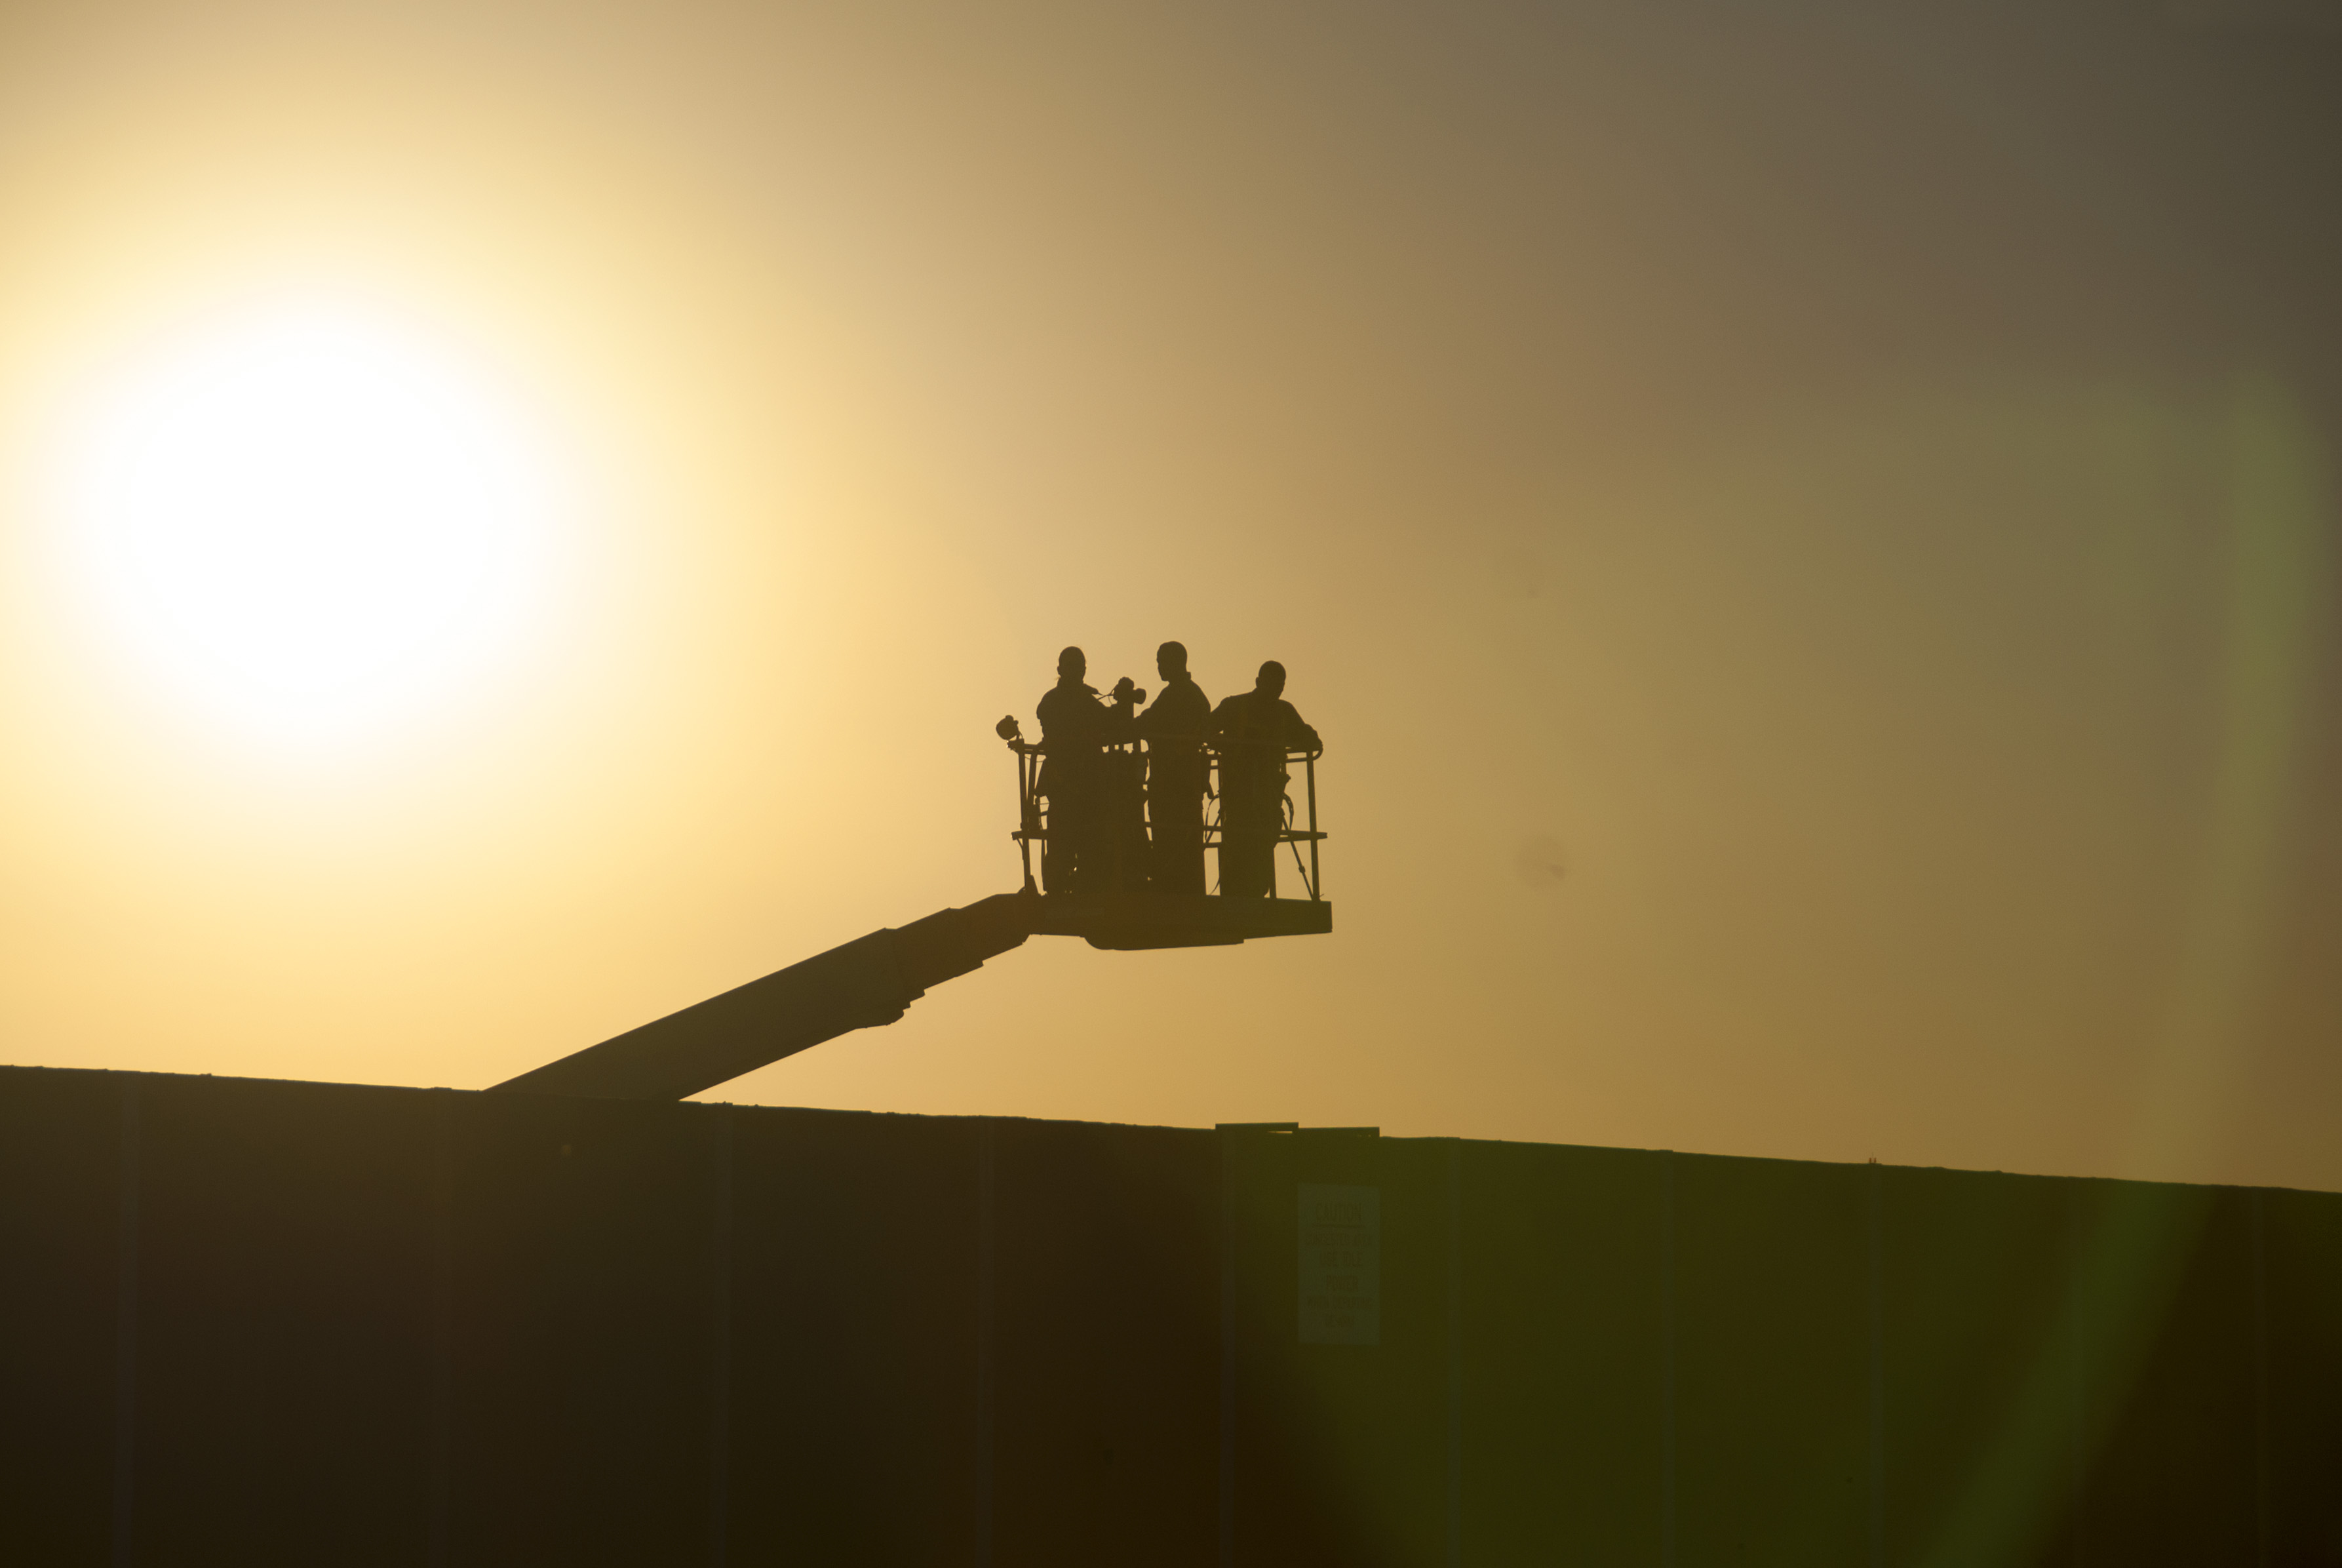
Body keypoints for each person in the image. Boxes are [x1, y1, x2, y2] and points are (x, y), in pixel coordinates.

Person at [1207, 661, 1321, 899]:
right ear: (1259, 682)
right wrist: (1224, 746)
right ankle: (1238, 893)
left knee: (1262, 844)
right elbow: (1204, 729)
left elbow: (1308, 736)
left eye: (1280, 686)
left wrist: (1309, 740)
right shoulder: (1235, 707)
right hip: (1240, 795)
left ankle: (1255, 891)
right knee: (1240, 843)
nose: (1276, 690)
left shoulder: (1284, 712)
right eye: (1273, 684)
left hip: (1268, 798)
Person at [1035, 646, 1137, 893]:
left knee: (1080, 841)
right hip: (1073, 785)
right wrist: (1123, 703)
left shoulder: (1069, 700)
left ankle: (1076, 885)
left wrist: (1123, 704)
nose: (1078, 671)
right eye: (1073, 666)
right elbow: (1111, 723)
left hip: (1081, 787)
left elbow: (1109, 723)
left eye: (1080, 667)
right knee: (1070, 842)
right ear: (1061, 670)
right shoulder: (1064, 702)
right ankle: (1070, 885)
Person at [1134, 642, 1212, 895]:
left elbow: (1150, 720)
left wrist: (1119, 729)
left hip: (1172, 783)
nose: (1159, 667)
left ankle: (1169, 887)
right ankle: (1181, 886)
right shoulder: (1191, 694)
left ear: (1176, 662)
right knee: (1184, 840)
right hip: (1183, 784)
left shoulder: (1179, 694)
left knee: (1171, 838)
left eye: (1161, 661)